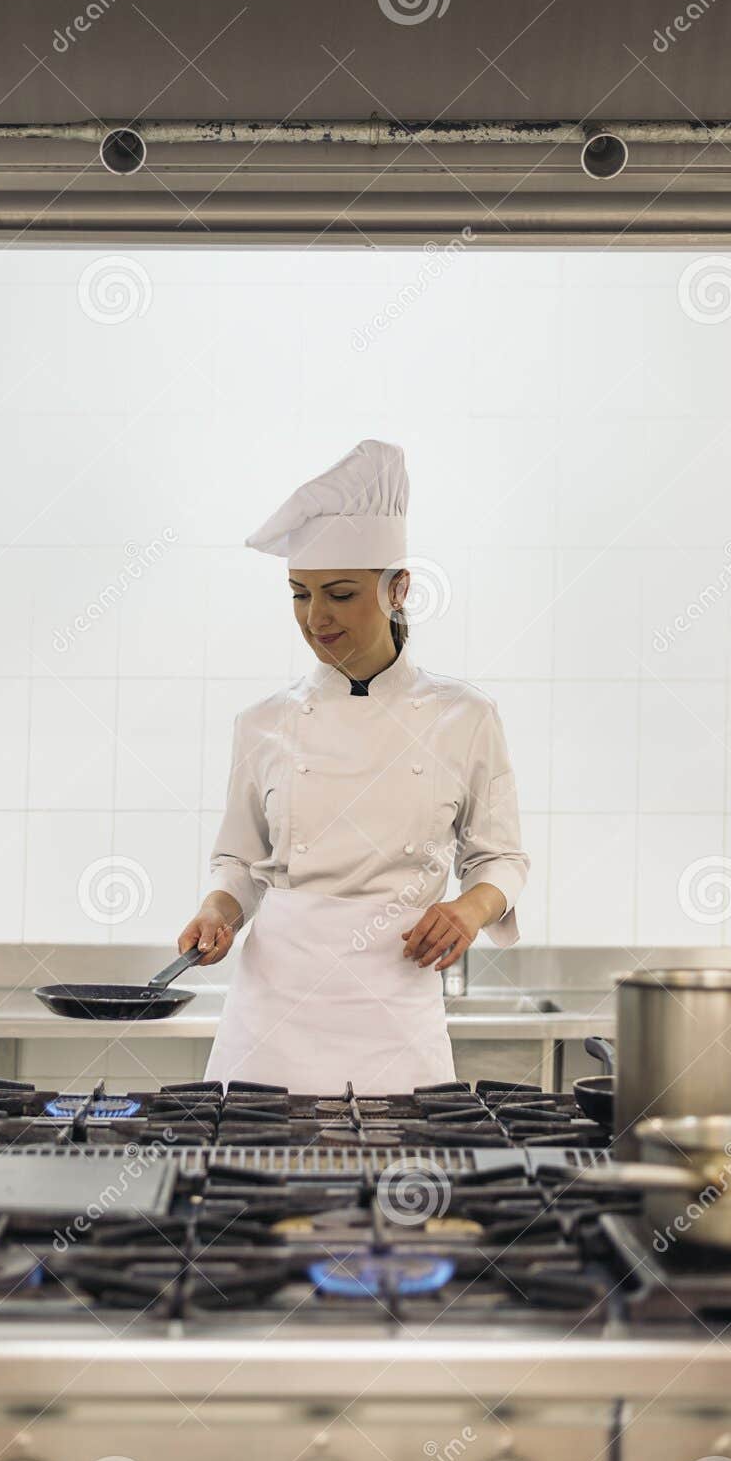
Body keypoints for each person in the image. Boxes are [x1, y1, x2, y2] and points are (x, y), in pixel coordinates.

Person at [179, 439, 529, 1093]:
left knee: (405, 1188)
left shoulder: (467, 717)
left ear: (399, 588)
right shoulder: (262, 724)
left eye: (339, 594)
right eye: (299, 594)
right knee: (250, 1189)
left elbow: (501, 859)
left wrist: (469, 911)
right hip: (273, 1021)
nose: (317, 618)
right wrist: (217, 913)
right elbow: (239, 865)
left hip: (395, 1012)